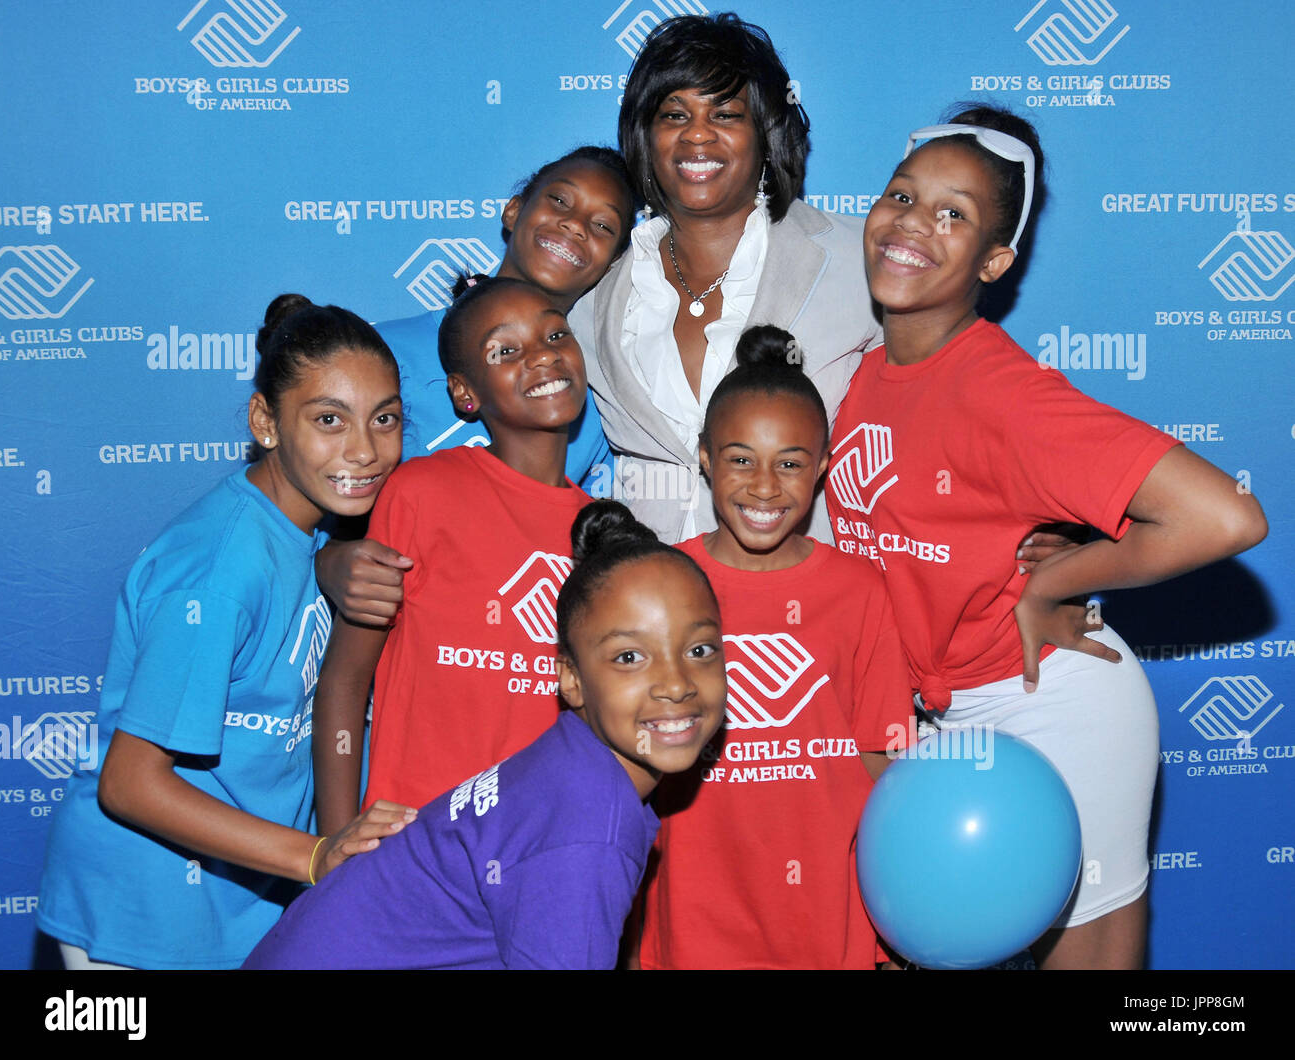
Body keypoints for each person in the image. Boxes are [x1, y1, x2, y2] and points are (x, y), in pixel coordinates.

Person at [826, 106, 1268, 969]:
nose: (914, 224)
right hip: (941, 724)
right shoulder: (866, 371)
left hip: (1054, 705)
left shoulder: (1001, 389)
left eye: (954, 214)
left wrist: (1049, 583)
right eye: (902, 196)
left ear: (996, 260)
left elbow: (1225, 516)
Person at [35, 295, 418, 970]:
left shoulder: (312, 530)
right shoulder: (218, 566)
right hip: (143, 919)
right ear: (265, 422)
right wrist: (316, 855)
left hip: (235, 906)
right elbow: (128, 783)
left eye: (384, 418)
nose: (364, 449)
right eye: (329, 419)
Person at [244, 500, 726, 969]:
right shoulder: (586, 828)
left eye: (700, 649)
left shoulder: (571, 765)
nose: (677, 684)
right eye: (629, 657)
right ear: (571, 680)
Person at [638, 325, 913, 969]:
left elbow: (884, 761)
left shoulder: (858, 589)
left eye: (790, 462)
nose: (765, 486)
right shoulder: (655, 584)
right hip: (695, 910)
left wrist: (899, 908)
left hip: (826, 911)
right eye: (740, 458)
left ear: (822, 467)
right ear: (704, 457)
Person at [568, 12, 879, 545]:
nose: (697, 135)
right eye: (673, 114)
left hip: (809, 604)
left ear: (766, 136)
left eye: (726, 114)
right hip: (648, 608)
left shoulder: (861, 261)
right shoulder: (591, 292)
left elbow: (951, 400)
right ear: (645, 137)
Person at [312, 277, 596, 834]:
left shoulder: (599, 534)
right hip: (412, 840)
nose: (542, 355)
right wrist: (333, 854)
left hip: (541, 848)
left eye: (556, 333)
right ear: (466, 394)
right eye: (506, 350)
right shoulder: (422, 492)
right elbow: (345, 685)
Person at [320, 148, 638, 630]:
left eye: (603, 226)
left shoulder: (594, 399)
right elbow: (308, 494)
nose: (576, 225)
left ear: (613, 263)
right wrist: (331, 560)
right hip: (393, 649)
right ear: (513, 211)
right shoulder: (383, 351)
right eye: (559, 200)